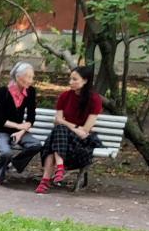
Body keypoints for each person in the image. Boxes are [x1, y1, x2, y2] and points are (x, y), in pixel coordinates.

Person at [37, 62, 102, 192]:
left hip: (81, 142)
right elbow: (58, 121)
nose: (70, 82)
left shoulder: (95, 100)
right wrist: (74, 127)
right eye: (70, 79)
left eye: (74, 79)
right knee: (58, 131)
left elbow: (84, 131)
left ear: (85, 80)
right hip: (63, 138)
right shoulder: (64, 96)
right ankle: (59, 168)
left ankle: (45, 181)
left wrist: (68, 125)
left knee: (56, 135)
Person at [0, 60, 38, 184]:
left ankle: (11, 163)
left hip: (18, 131)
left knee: (36, 145)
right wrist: (18, 125)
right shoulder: (3, 92)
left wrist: (21, 132)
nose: (30, 80)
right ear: (18, 76)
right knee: (6, 152)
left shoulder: (31, 92)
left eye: (32, 77)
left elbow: (31, 117)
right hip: (0, 130)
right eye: (28, 77)